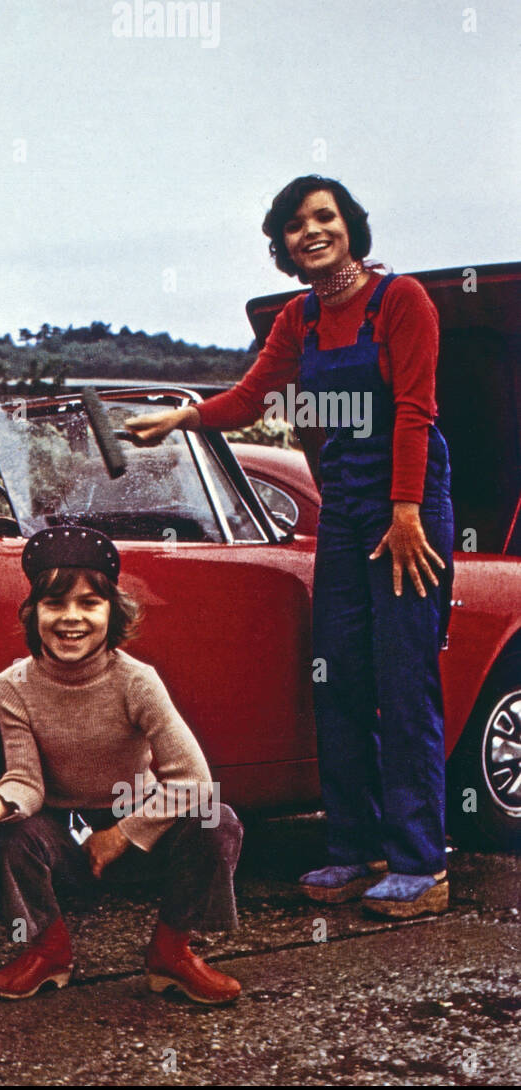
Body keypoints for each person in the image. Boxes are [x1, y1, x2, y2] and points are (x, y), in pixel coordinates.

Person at [125, 176, 452, 918]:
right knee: (336, 677)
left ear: (349, 226)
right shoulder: (299, 318)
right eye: (296, 224)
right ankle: (357, 847)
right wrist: (182, 419)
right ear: (283, 244)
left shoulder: (400, 301)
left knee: (404, 682)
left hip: (407, 500)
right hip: (344, 507)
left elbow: (413, 409)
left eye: (325, 217)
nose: (312, 231)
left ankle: (421, 865)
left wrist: (405, 513)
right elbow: (249, 398)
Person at [0, 526, 243, 1004]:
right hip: (64, 833)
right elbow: (25, 780)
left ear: (113, 611)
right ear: (33, 613)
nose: (71, 619)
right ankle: (49, 950)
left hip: (136, 826)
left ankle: (173, 951)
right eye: (54, 603)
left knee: (217, 821)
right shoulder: (13, 685)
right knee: (3, 834)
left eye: (89, 603)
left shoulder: (137, 681)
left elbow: (195, 779)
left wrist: (124, 833)